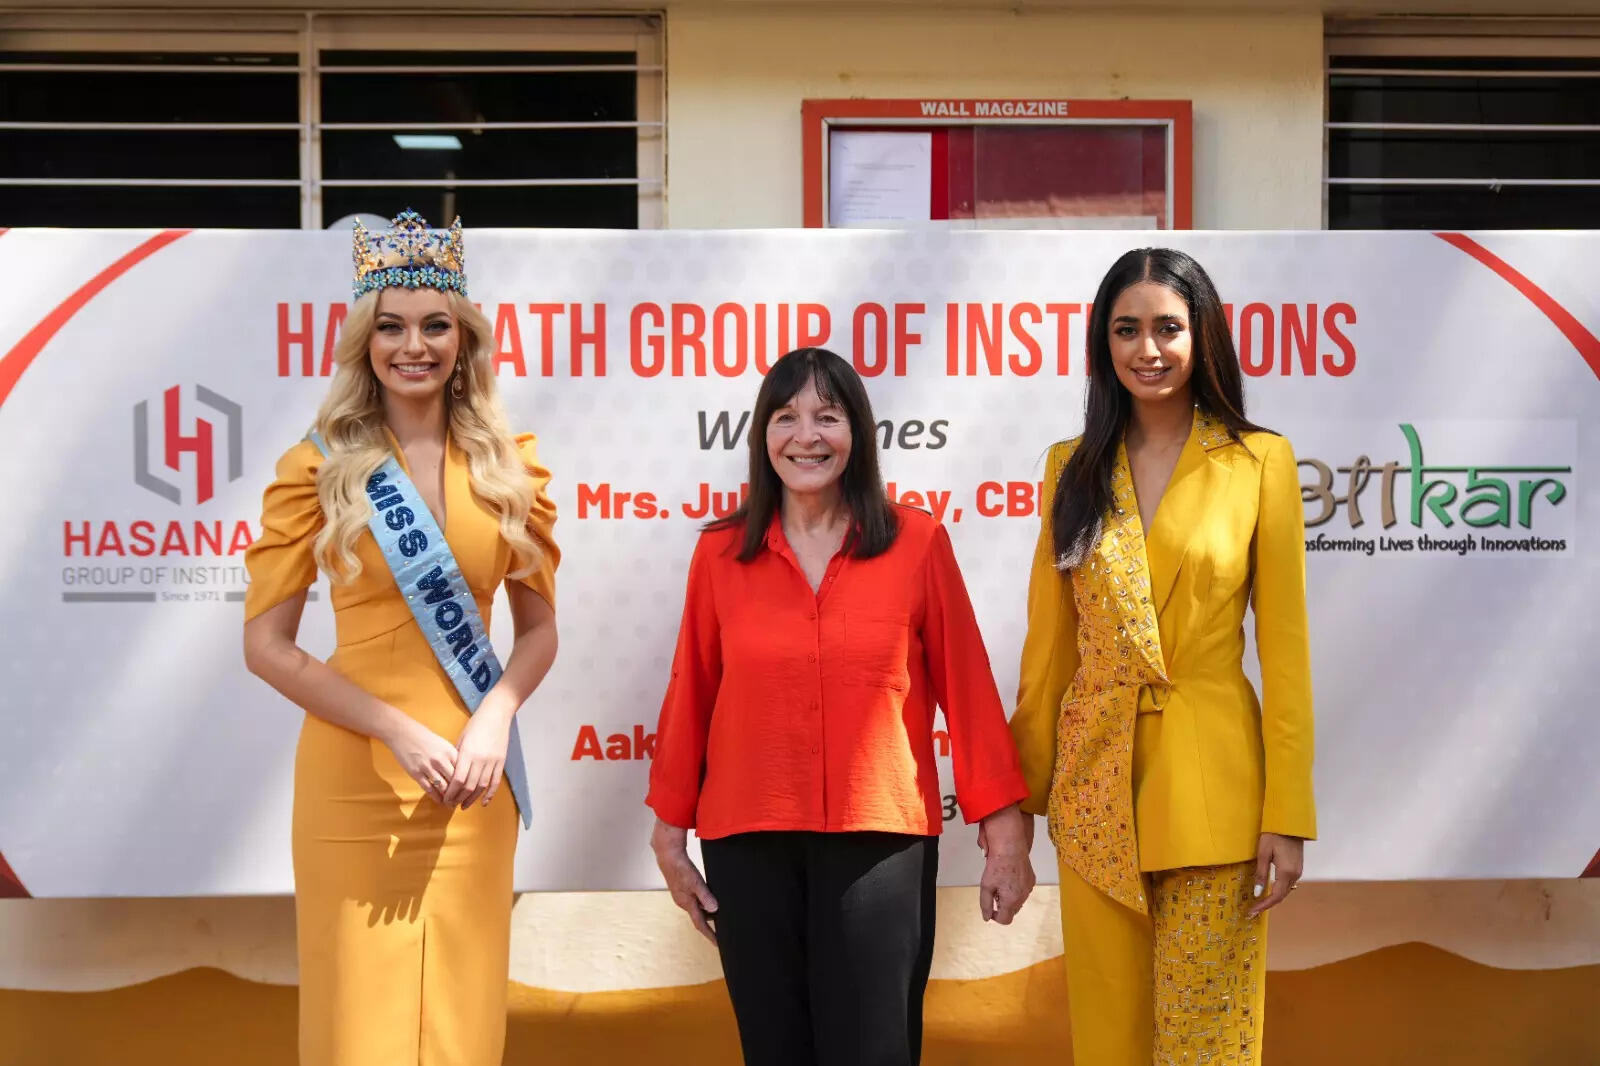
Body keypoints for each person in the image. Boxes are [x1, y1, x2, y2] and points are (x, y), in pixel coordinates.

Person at [647, 347, 1035, 1066]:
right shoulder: (721, 554)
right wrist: (669, 833)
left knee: (874, 1049)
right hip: (746, 837)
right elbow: (691, 690)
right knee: (775, 1049)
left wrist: (1004, 835)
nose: (807, 436)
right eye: (787, 417)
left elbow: (969, 690)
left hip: (879, 836)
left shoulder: (917, 543)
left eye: (828, 416)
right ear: (762, 435)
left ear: (857, 432)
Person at [242, 210, 559, 1066]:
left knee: (458, 1014)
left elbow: (537, 632)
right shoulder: (319, 467)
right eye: (390, 326)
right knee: (359, 1022)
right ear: (364, 340)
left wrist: (493, 717)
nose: (411, 345)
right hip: (356, 785)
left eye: (433, 325)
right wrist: (392, 726)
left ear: (464, 339)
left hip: (472, 783)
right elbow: (267, 646)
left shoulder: (507, 467)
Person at [1011, 248, 1316, 1064]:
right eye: (1127, 329)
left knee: (1206, 1042)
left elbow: (1286, 655)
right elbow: (1050, 651)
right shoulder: (1067, 469)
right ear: (1103, 345)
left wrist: (1286, 816)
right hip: (1093, 788)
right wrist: (1015, 805)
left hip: (1215, 788)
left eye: (1168, 328)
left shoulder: (1259, 461)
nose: (1148, 349)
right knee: (1107, 1040)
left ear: (1202, 335)